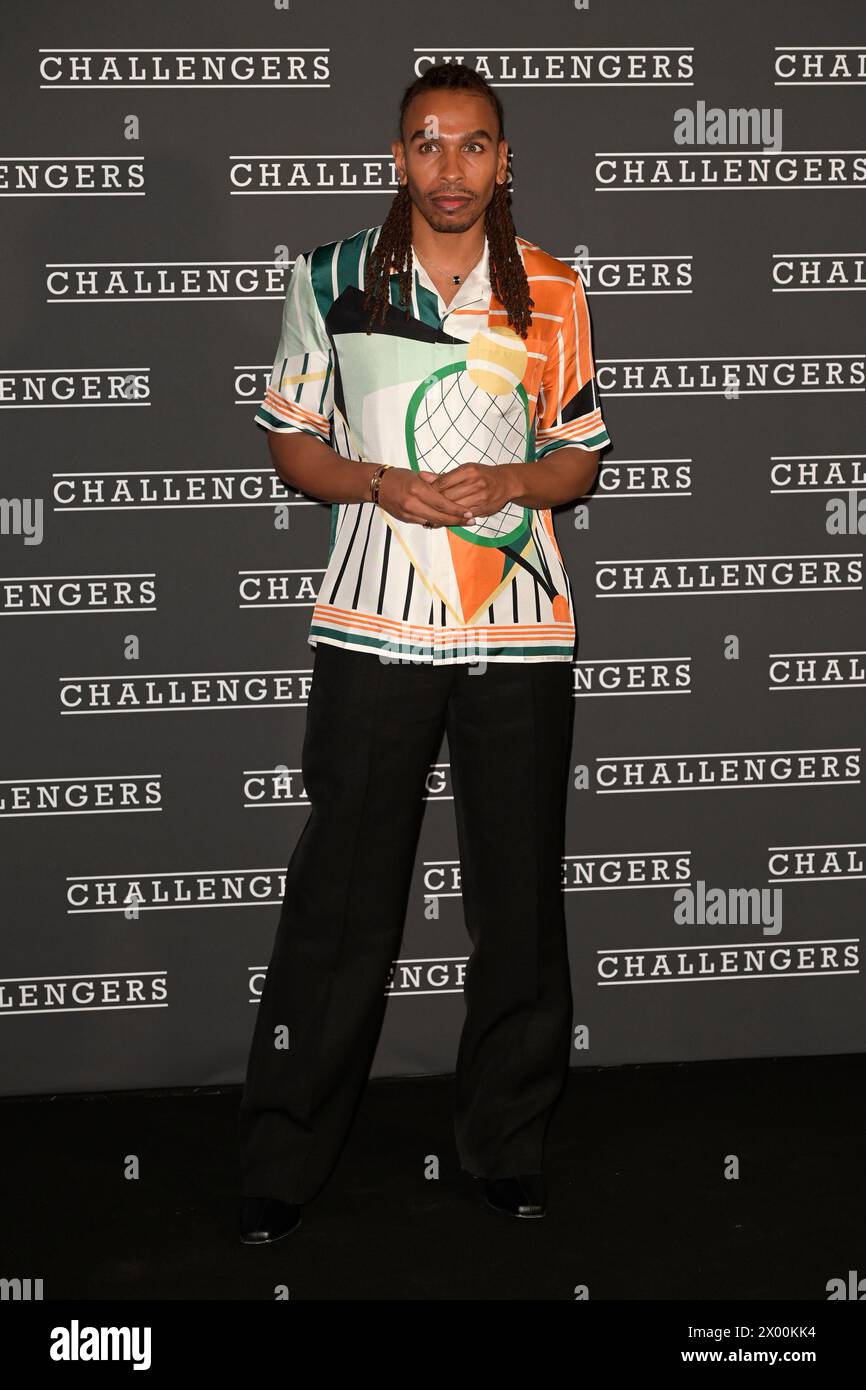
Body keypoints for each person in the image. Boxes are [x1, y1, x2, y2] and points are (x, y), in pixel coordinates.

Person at [238, 60, 611, 1244]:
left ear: (504, 161)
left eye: (471, 145)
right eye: (425, 143)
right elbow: (292, 441)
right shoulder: (332, 276)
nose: (447, 168)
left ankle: (506, 1144)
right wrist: (376, 483)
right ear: (397, 155)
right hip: (373, 624)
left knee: (515, 898)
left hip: (516, 627)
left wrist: (510, 477)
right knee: (338, 906)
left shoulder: (550, 287)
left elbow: (578, 456)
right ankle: (283, 1159)